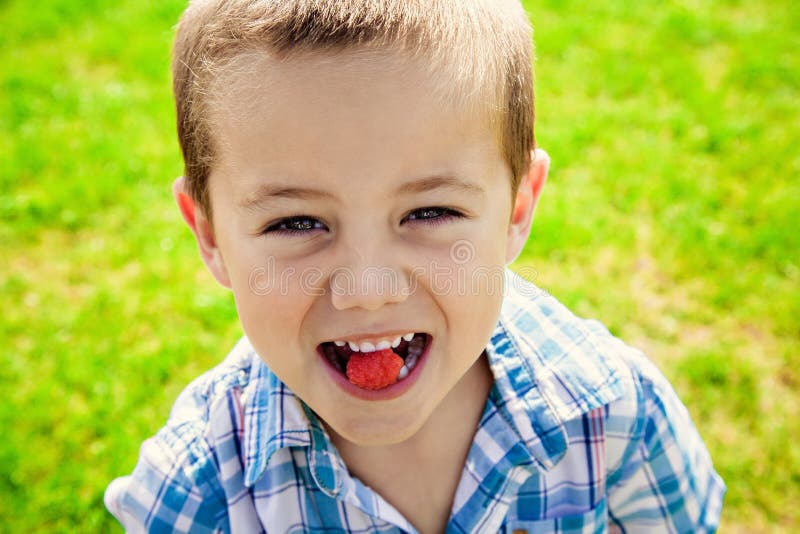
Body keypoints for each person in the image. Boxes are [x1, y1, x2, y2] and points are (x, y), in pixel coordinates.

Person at [104, 1, 726, 532]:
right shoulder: (196, 495)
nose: (368, 290)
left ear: (516, 207)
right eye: (296, 223)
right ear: (210, 235)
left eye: (429, 212)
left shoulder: (611, 413)